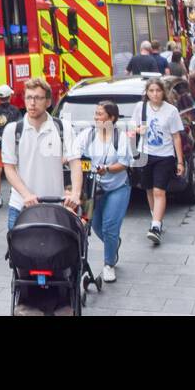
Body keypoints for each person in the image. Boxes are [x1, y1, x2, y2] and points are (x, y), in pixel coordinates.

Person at [1, 78, 79, 233]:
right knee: (18, 256)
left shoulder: (63, 128)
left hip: (54, 207)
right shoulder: (13, 130)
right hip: (21, 205)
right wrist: (27, 195)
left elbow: (75, 162)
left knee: (56, 255)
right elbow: (9, 168)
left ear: (48, 102)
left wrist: (75, 193)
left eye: (38, 98)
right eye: (29, 97)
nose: (32, 103)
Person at [74, 101, 134, 282]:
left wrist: (106, 168)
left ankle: (109, 264)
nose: (96, 117)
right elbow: (74, 154)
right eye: (96, 113)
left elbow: (124, 163)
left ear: (111, 118)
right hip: (92, 187)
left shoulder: (120, 138)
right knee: (93, 225)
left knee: (109, 226)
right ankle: (113, 242)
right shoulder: (88, 134)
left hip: (118, 187)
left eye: (100, 114)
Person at [139, 77, 185, 245]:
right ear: (147, 93)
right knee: (149, 190)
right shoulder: (141, 108)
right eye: (151, 91)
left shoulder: (171, 110)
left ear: (163, 92)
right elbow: (132, 127)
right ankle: (155, 217)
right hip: (145, 154)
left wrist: (180, 161)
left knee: (160, 191)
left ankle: (156, 226)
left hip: (165, 156)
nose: (155, 94)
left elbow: (176, 136)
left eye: (158, 91)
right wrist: (138, 129)